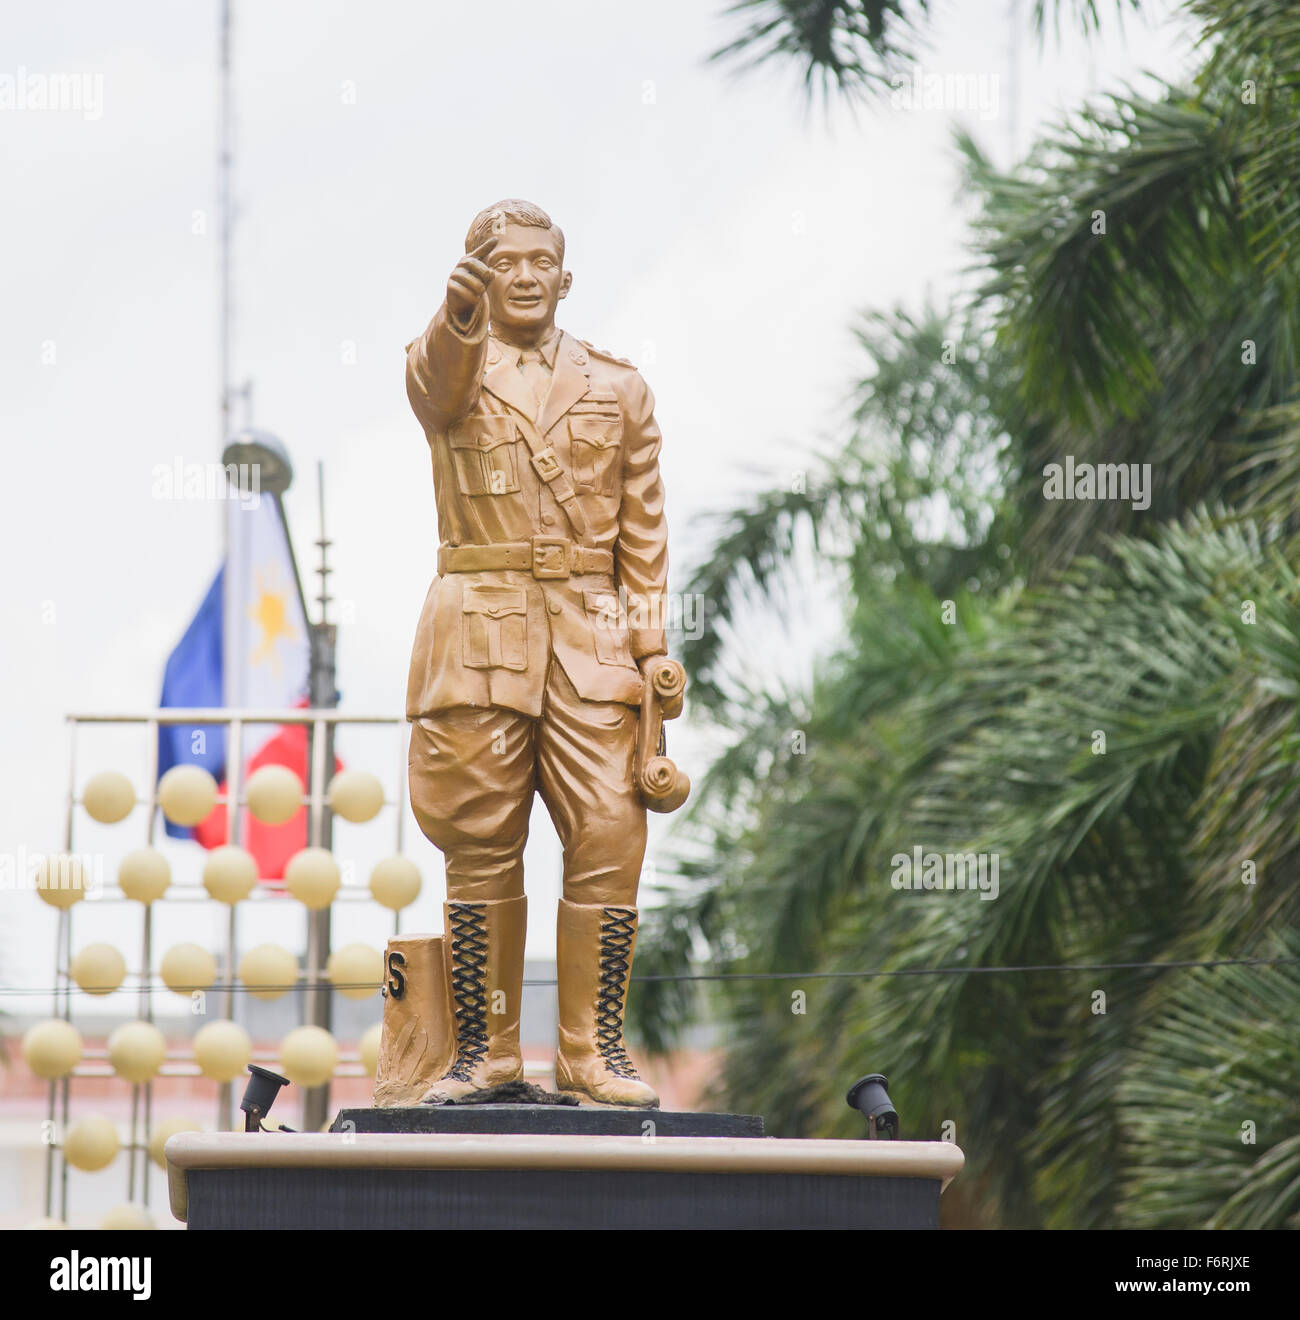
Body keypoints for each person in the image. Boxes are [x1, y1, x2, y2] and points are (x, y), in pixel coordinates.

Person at [404, 198, 671, 1106]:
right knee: (479, 841)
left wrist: (652, 654)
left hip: (592, 636)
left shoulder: (619, 386)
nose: (524, 274)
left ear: (564, 276)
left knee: (611, 833)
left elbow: (644, 539)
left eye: (539, 260)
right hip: (480, 624)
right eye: (503, 260)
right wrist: (458, 316)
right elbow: (435, 384)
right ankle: (486, 1053)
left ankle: (594, 1053)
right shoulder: (450, 360)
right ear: (478, 274)